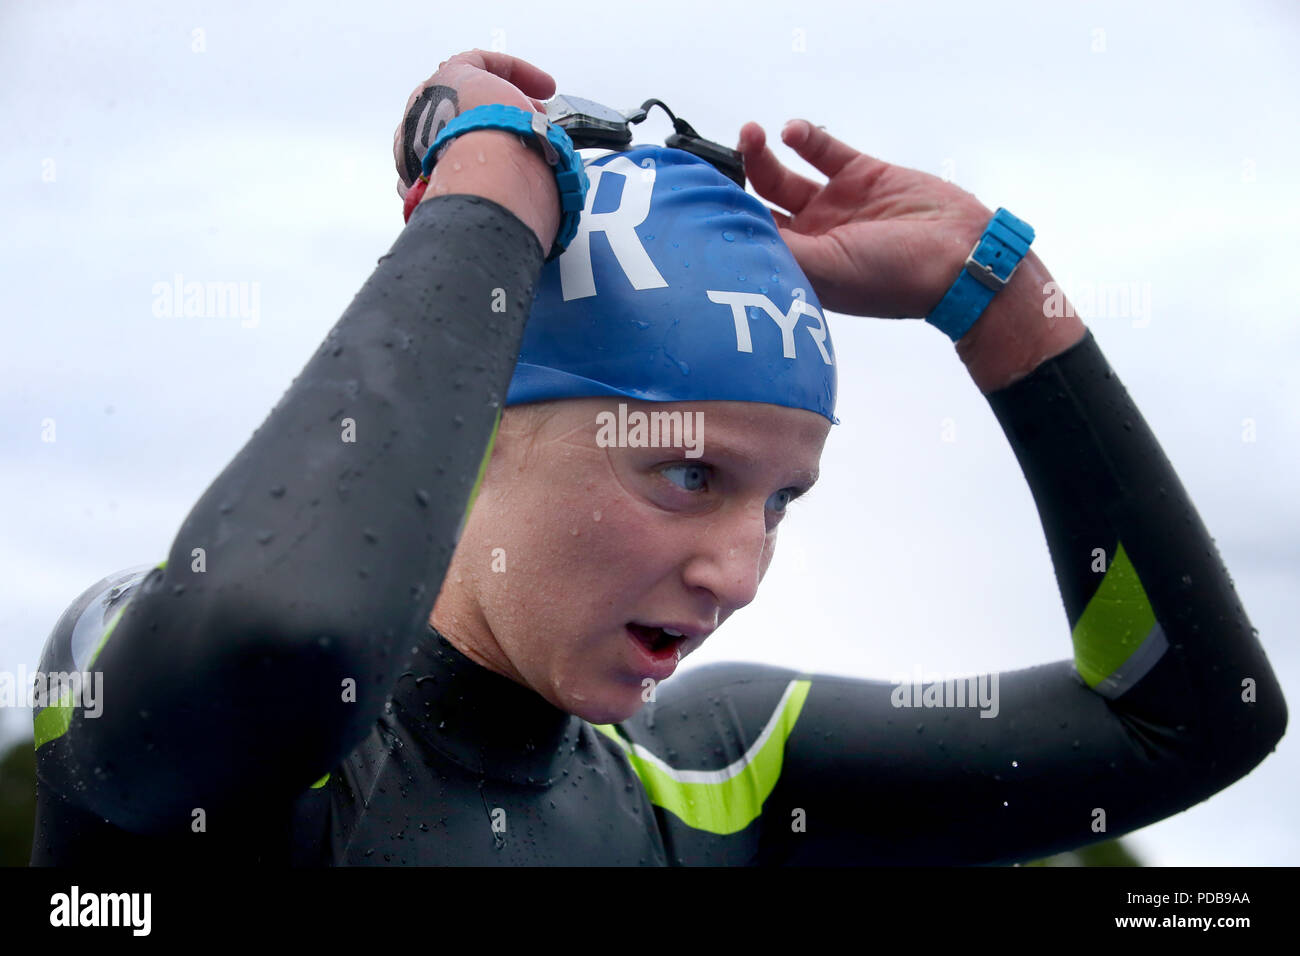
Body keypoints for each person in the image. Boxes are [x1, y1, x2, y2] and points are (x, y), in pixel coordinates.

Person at [30, 50, 1285, 865]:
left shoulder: (715, 777)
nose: (739, 569)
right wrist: (483, 197)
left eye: (780, 499)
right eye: (688, 475)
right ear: (474, 424)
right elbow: (286, 628)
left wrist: (1000, 294)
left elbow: (1190, 720)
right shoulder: (149, 672)